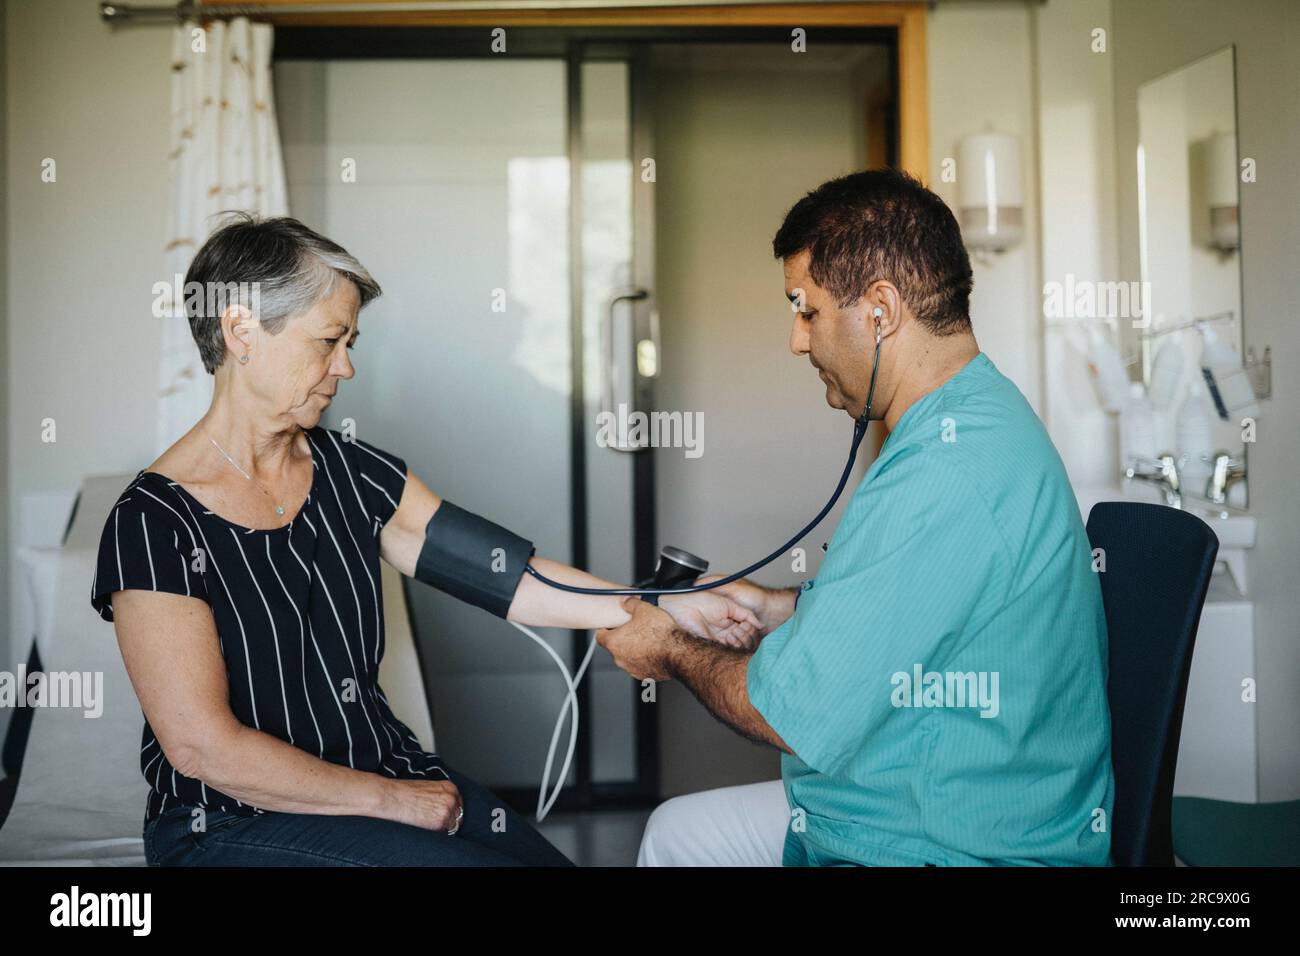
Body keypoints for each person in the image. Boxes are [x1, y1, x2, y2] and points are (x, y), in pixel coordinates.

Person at [91, 213, 758, 866]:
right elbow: (203, 748)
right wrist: (395, 802)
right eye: (328, 341)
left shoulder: (350, 471)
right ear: (240, 329)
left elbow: (514, 579)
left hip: (387, 769)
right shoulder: (153, 522)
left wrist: (657, 607)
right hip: (232, 824)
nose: (345, 368)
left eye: (351, 342)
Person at [596, 168, 1115, 867]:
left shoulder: (944, 472)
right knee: (675, 833)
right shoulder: (972, 419)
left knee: (676, 839)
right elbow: (918, 603)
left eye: (806, 310)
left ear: (880, 308)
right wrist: (777, 608)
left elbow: (788, 714)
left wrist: (666, 649)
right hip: (920, 796)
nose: (797, 340)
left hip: (949, 842)